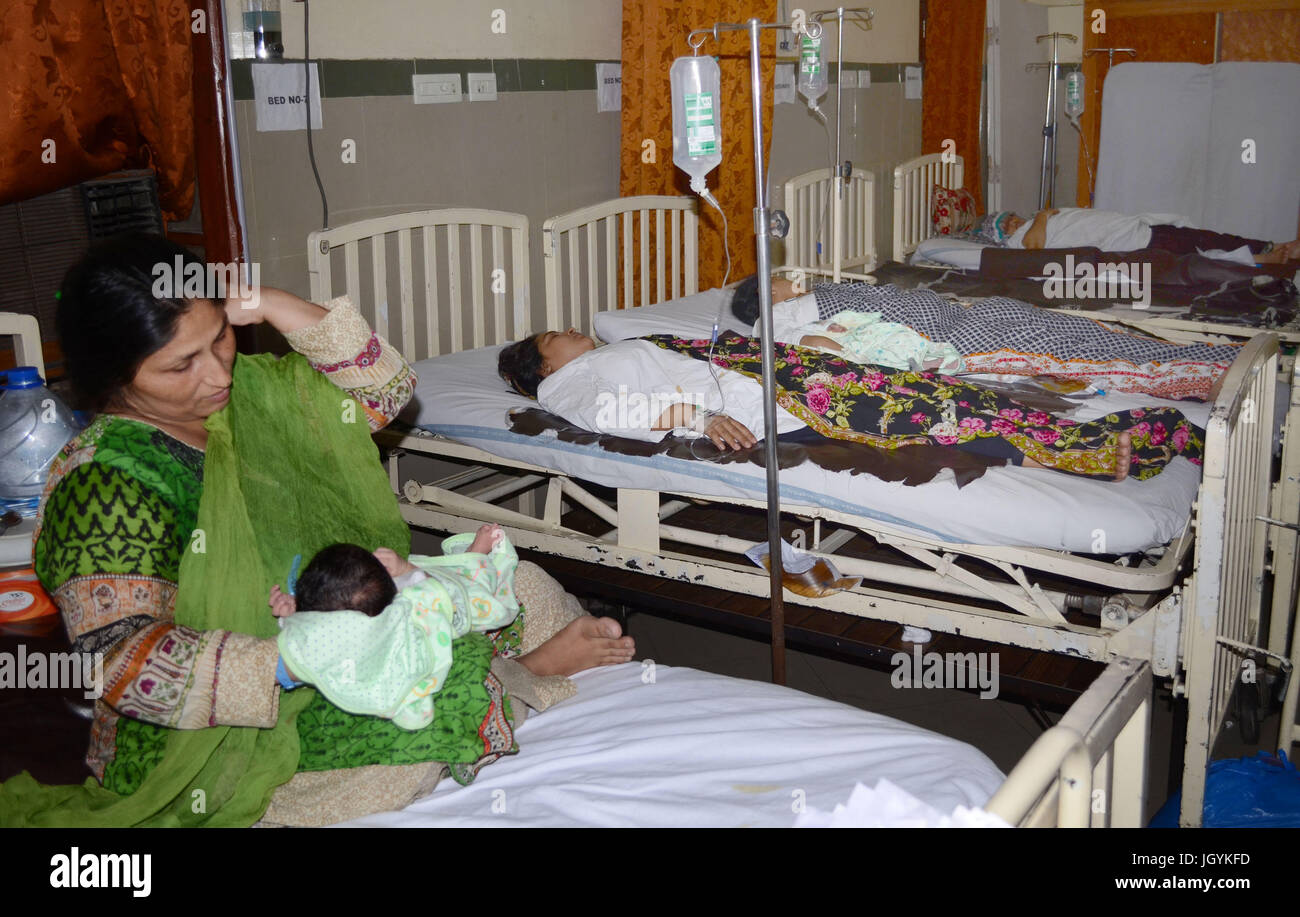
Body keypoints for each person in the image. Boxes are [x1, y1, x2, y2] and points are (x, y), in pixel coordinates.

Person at [11, 233, 633, 826]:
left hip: (338, 615)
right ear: (114, 379)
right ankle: (523, 673)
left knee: (522, 583)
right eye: (181, 367)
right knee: (427, 721)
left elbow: (387, 391)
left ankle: (496, 671)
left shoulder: (252, 393)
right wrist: (309, 656)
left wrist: (272, 303)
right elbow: (123, 661)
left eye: (221, 337)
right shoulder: (106, 481)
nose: (219, 375)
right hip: (242, 709)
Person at [498, 326, 1207, 482]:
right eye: (555, 335)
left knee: (941, 396)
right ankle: (1103, 446)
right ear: (543, 367)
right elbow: (611, 414)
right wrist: (694, 418)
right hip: (768, 397)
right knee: (938, 415)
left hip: (767, 374)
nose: (571, 329)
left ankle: (1112, 430)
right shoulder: (569, 385)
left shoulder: (607, 349)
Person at [731, 274, 1240, 402]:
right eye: (779, 282)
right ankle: (1203, 375)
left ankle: (1211, 359)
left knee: (1091, 332)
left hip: (976, 314)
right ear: (767, 300)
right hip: (966, 342)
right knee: (1079, 356)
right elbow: (792, 340)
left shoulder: (815, 302)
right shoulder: (793, 322)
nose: (795, 282)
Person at [270, 525, 522, 731]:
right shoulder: (394, 617)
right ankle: (474, 558)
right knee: (462, 594)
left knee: (453, 588)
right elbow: (437, 595)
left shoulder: (352, 616)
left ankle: (472, 557)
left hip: (431, 597)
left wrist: (294, 615)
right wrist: (407, 570)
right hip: (436, 604)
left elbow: (311, 635)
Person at [973, 208, 1300, 263]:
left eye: (1016, 216)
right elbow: (1033, 252)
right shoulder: (1018, 241)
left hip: (1134, 229)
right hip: (1133, 240)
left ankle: (1268, 250)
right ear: (1003, 233)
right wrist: (1042, 217)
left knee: (1208, 239)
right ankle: (1264, 256)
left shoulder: (1030, 223)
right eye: (1010, 221)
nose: (1017, 220)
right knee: (1201, 248)